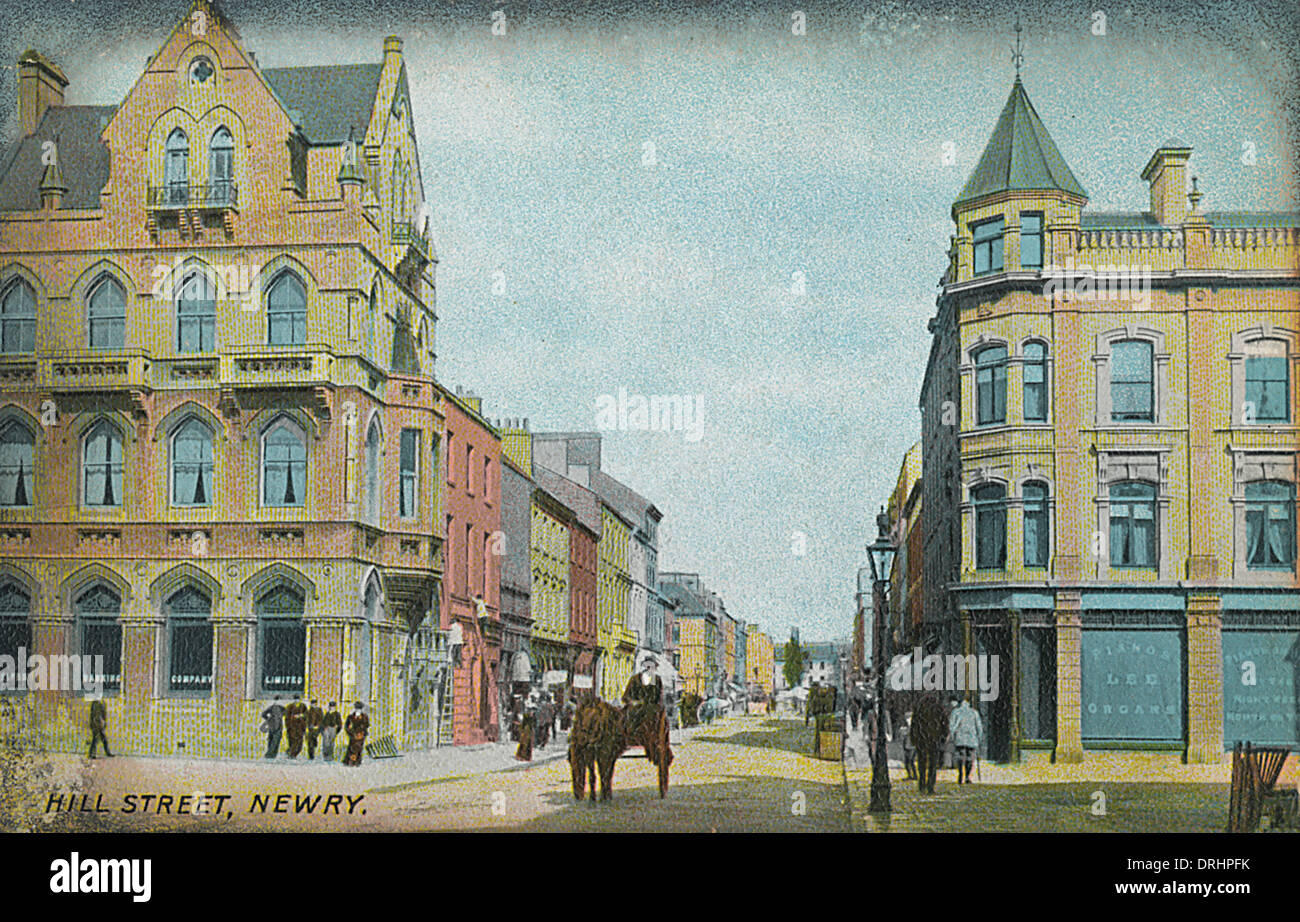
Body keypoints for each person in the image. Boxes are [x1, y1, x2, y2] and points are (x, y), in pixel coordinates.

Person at [948, 698, 983, 783]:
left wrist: (952, 736)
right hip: (971, 738)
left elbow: (952, 725)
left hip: (960, 737)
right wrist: (979, 737)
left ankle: (961, 773)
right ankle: (967, 776)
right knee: (970, 758)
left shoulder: (956, 712)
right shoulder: (974, 712)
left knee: (960, 756)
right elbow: (979, 726)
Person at [343, 701, 369, 767]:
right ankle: (349, 761)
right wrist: (350, 732)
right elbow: (347, 726)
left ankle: (357, 761)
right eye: (357, 709)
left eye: (360, 709)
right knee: (351, 748)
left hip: (361, 734)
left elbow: (367, 725)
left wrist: (362, 732)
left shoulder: (364, 716)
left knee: (359, 748)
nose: (358, 710)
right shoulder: (350, 717)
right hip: (353, 734)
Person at [899, 710, 917, 780]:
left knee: (911, 760)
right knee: (907, 761)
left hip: (912, 745)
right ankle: (910, 775)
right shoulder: (906, 725)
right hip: (906, 744)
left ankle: (914, 775)